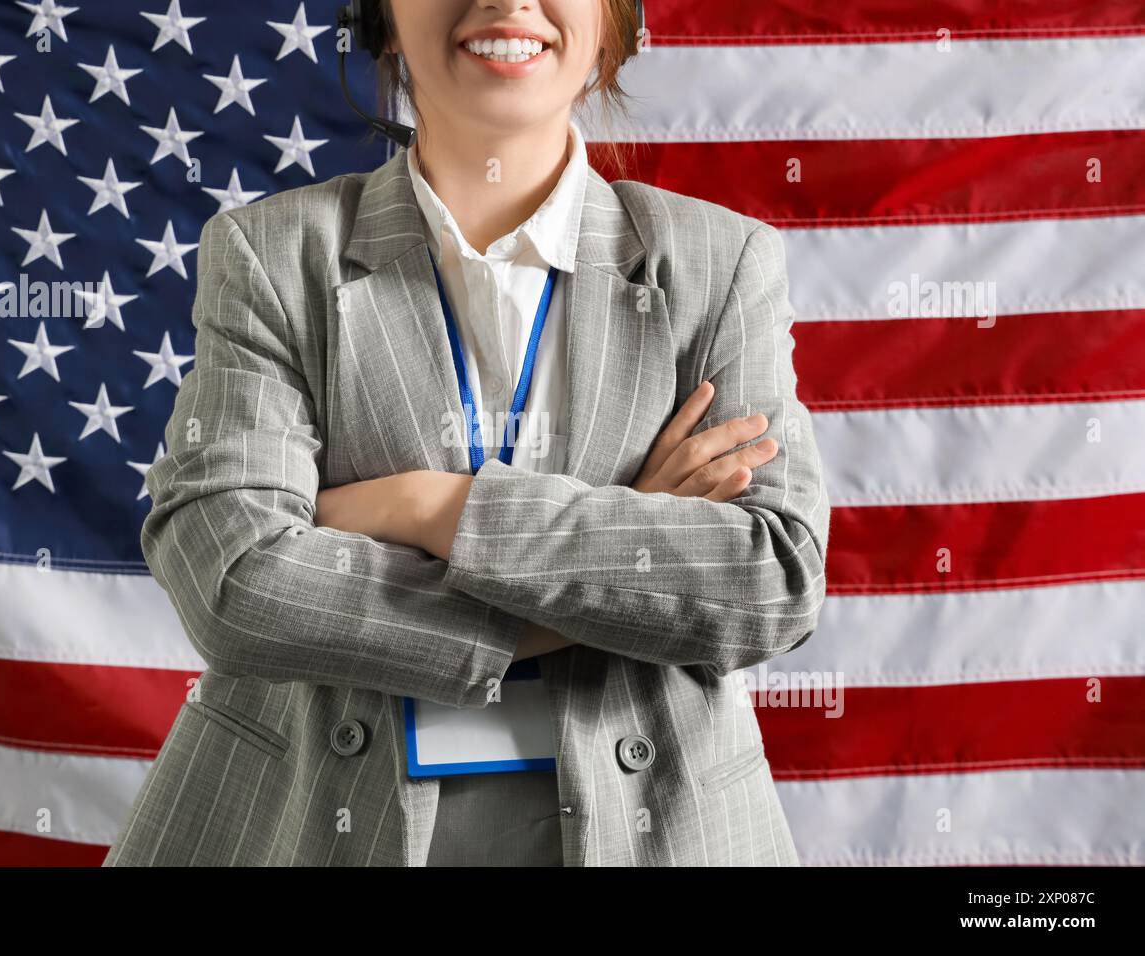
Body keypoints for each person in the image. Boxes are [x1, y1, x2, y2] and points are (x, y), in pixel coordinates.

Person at [105, 0, 830, 867]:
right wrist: (621, 552)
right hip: (317, 825)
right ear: (382, 18)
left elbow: (770, 579)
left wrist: (428, 506)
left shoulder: (721, 261)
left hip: (656, 828)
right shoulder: (269, 253)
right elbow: (235, 583)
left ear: (614, 20)